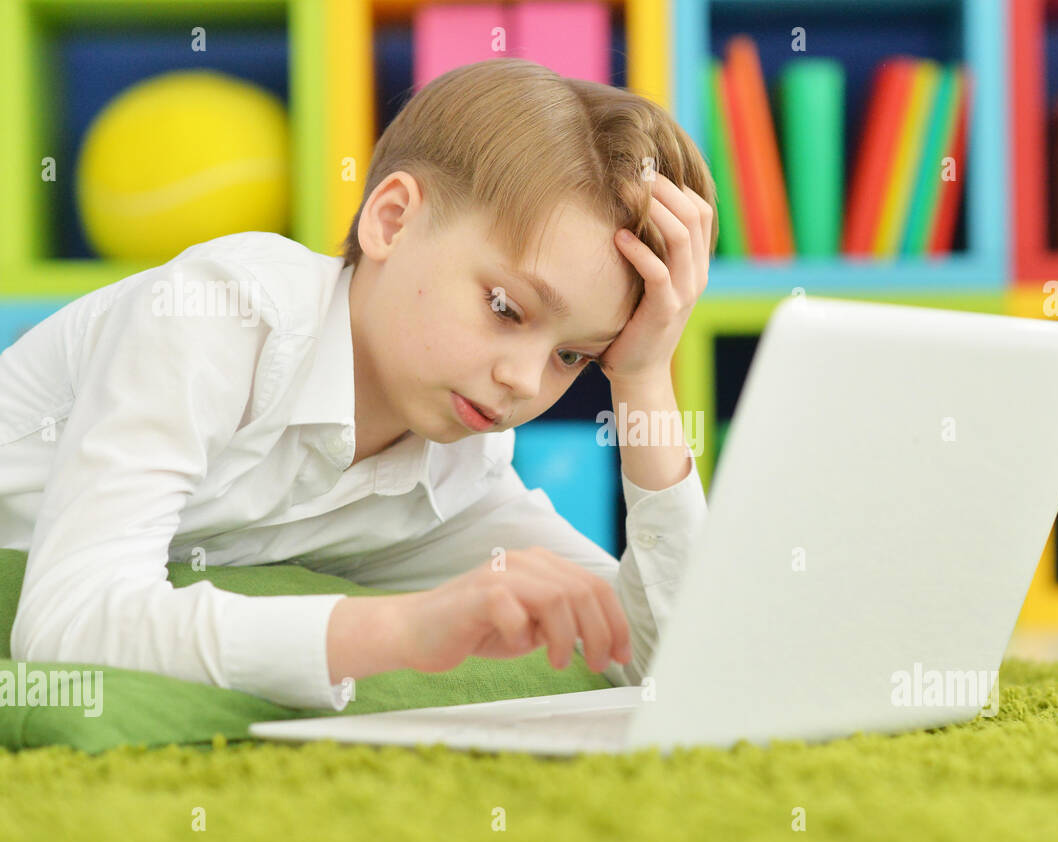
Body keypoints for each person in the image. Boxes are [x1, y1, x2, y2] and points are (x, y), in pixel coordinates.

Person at [0, 57, 718, 710]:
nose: (522, 382)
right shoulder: (221, 316)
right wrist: (400, 629)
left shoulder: (454, 471)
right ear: (393, 219)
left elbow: (672, 655)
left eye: (574, 358)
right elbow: (67, 617)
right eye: (505, 307)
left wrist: (643, 373)